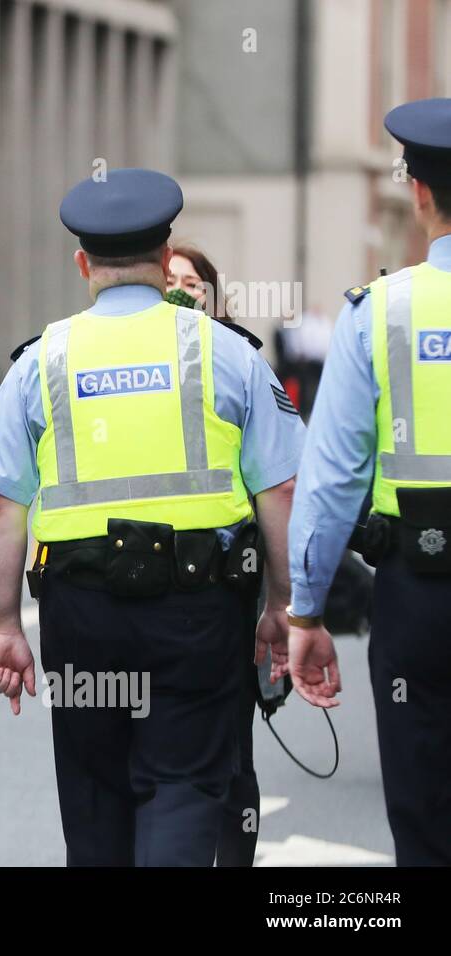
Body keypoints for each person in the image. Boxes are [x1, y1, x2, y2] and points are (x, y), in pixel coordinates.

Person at [0, 168, 304, 866]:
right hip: (200, 611)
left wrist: (4, 627)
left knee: (95, 799)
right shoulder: (228, 353)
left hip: (81, 616)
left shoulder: (42, 360)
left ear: (83, 263)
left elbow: (3, 507)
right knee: (183, 787)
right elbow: (280, 493)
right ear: (164, 259)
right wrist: (283, 606)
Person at [287, 98, 451, 866]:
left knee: (422, 818)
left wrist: (307, 610)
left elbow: (330, 482)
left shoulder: (379, 315)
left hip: (419, 597)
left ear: (418, 193)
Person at [166, 244, 263, 867]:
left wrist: (283, 606)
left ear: (212, 294)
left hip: (226, 584)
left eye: (193, 283)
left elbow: (276, 483)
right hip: (138, 583)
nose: (180, 291)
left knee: (230, 750)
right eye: (168, 279)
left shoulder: (239, 357)